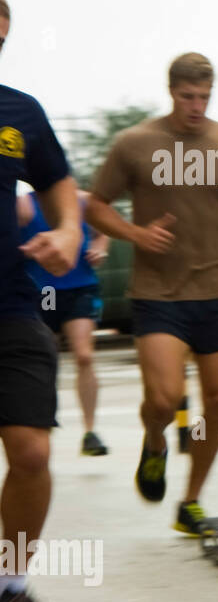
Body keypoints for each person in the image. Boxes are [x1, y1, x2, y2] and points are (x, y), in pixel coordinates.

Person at [86, 53, 218, 536]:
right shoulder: (135, 144)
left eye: (204, 97)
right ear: (172, 92)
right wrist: (136, 235)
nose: (196, 106)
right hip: (158, 293)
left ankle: (191, 500)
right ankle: (154, 443)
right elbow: (95, 206)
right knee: (165, 398)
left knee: (216, 402)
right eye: (187, 97)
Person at [0, 0, 83, 602]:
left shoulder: (20, 111)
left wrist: (66, 227)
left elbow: (57, 182)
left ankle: (11, 583)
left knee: (31, 451)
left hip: (13, 304)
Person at [18, 188, 112, 456]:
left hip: (80, 286)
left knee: (84, 355)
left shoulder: (81, 199)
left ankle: (90, 432)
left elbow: (103, 231)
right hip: (45, 291)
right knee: (47, 356)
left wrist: (99, 248)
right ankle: (42, 426)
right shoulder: (22, 204)